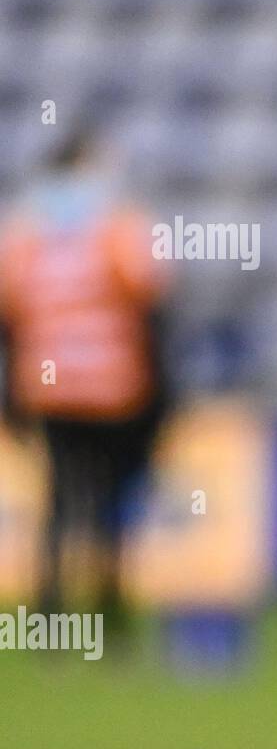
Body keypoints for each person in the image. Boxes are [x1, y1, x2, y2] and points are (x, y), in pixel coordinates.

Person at [0, 131, 170, 631]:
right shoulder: (119, 228)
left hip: (50, 388)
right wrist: (161, 390)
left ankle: (52, 618)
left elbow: (10, 320)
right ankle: (109, 614)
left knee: (59, 498)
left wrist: (13, 390)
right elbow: (151, 307)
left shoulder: (25, 234)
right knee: (109, 500)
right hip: (115, 389)